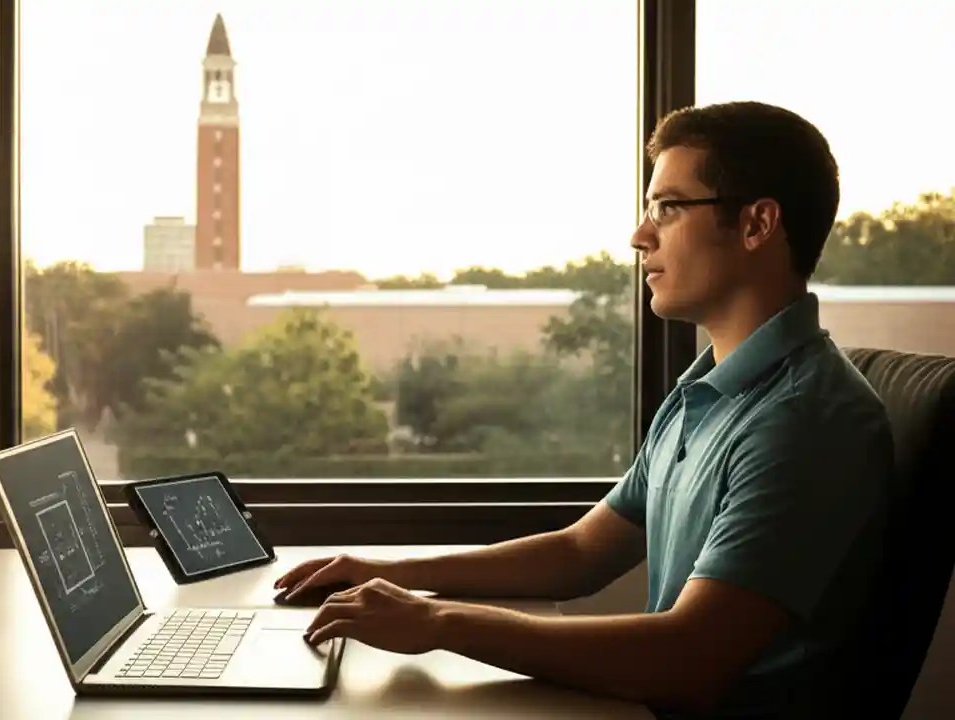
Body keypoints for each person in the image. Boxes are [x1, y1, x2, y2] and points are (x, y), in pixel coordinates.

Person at [275, 101, 893, 719]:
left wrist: (437, 622)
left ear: (757, 224)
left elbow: (690, 659)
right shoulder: (704, 391)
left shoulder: (804, 420)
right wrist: (394, 574)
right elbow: (579, 554)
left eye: (668, 208)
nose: (639, 235)